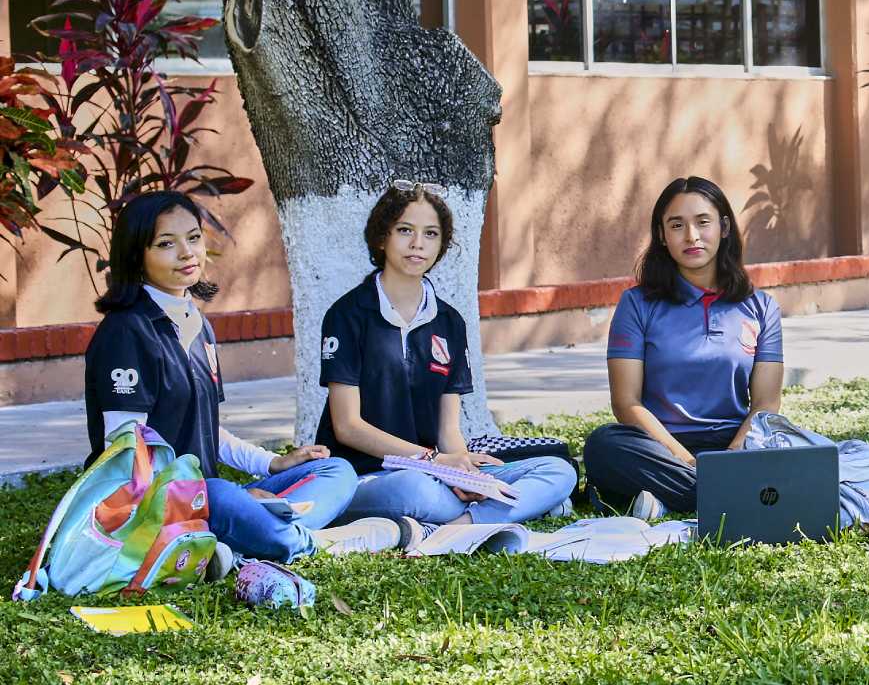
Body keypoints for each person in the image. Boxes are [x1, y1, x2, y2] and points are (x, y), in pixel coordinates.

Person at [83, 191, 395, 562]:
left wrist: (272, 464)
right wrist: (210, 493)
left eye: (194, 238)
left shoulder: (196, 324)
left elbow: (207, 432)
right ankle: (314, 542)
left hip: (207, 497)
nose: (187, 253)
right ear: (137, 255)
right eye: (167, 244)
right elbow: (126, 451)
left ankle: (241, 541)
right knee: (224, 495)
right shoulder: (126, 332)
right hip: (154, 506)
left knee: (335, 470)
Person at [318, 183, 577, 530]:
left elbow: (448, 430)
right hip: (370, 475)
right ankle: (499, 511)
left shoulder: (449, 321)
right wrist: (435, 461)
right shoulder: (348, 314)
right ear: (381, 238)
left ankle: (462, 523)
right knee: (418, 492)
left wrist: (463, 467)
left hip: (435, 469)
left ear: (440, 245)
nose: (417, 243)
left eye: (430, 234)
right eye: (404, 230)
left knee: (557, 470)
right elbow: (347, 427)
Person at [583, 177, 785, 517]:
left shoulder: (762, 307)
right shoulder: (637, 304)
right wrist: (689, 462)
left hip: (734, 443)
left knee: (801, 448)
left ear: (723, 228)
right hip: (657, 447)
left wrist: (734, 458)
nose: (691, 236)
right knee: (604, 445)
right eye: (677, 225)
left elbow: (766, 404)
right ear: (662, 236)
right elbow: (626, 403)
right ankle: (730, 494)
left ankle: (672, 496)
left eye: (702, 222)